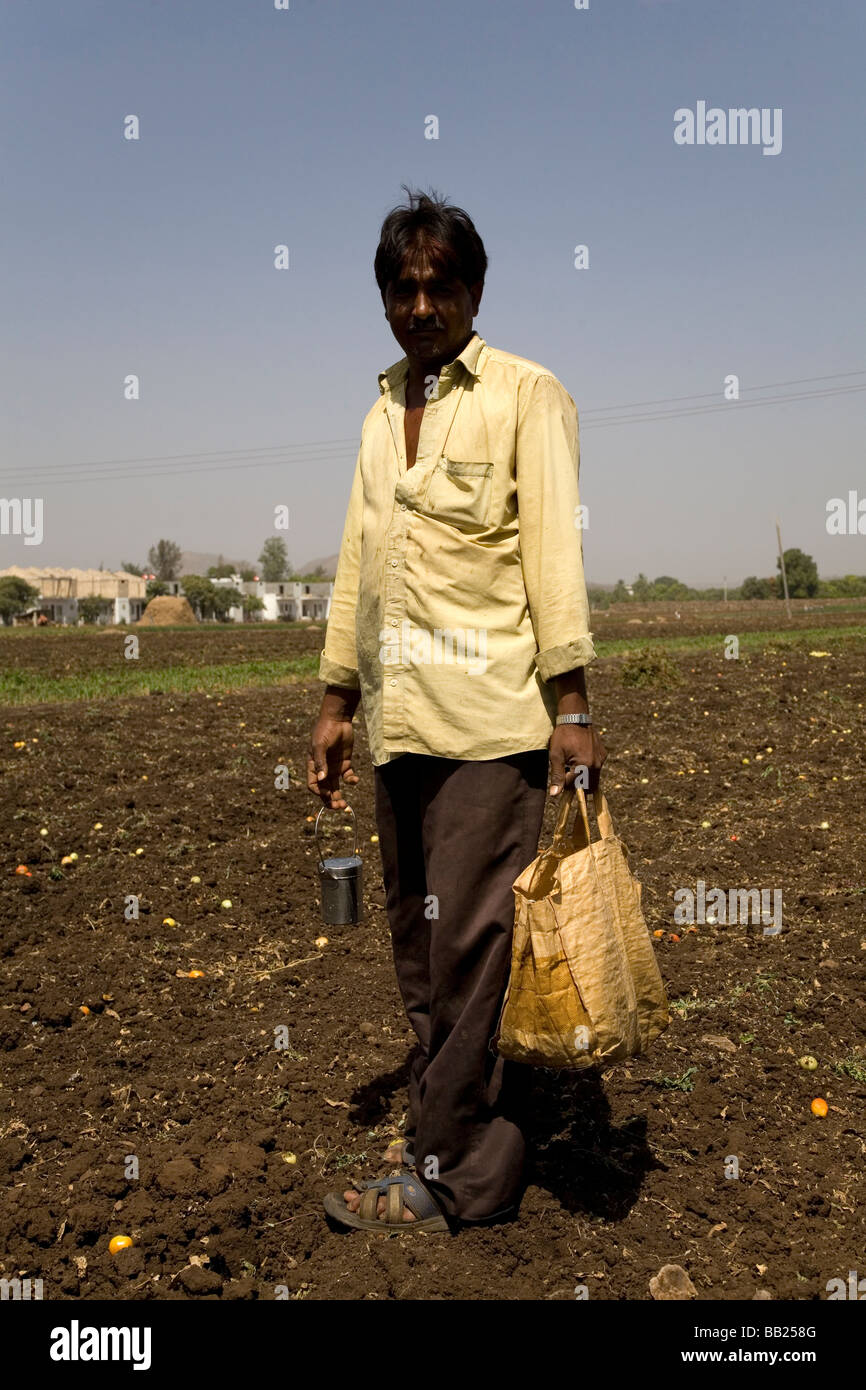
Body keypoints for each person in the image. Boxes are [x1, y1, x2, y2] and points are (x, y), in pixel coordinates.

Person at [307, 186, 605, 1234]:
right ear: (384, 297)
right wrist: (336, 700)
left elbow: (552, 558)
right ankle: (453, 1123)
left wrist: (571, 709)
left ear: (475, 290)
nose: (421, 303)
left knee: (475, 946)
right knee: (417, 946)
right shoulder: (381, 410)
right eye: (403, 285)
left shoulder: (526, 395)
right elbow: (355, 564)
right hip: (400, 724)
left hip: (489, 724)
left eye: (441, 284)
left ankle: (451, 1177)